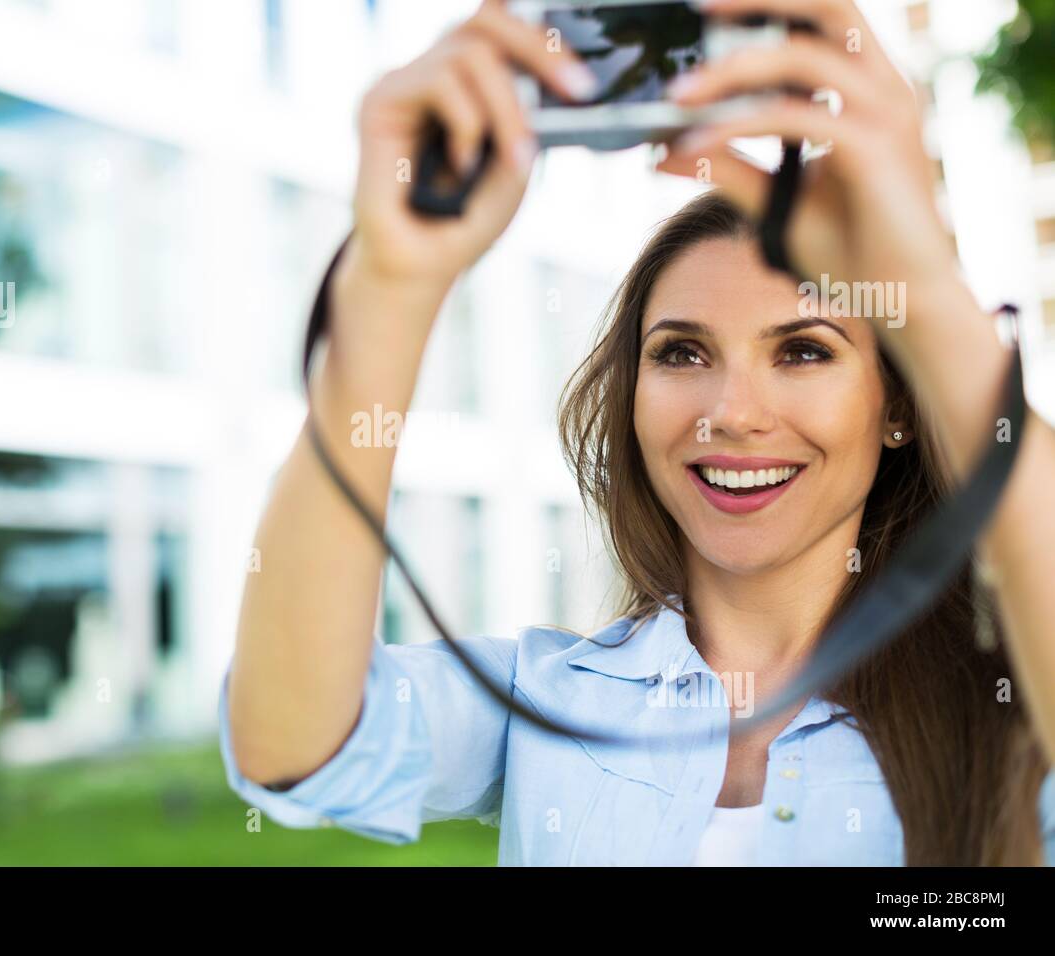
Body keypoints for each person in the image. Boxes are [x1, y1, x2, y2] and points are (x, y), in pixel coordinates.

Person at [218, 0, 1055, 865]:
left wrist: (924, 295)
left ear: (897, 409)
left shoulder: (1011, 706)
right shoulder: (544, 699)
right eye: (682, 353)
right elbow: (292, 748)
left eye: (803, 352)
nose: (731, 412)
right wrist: (394, 281)